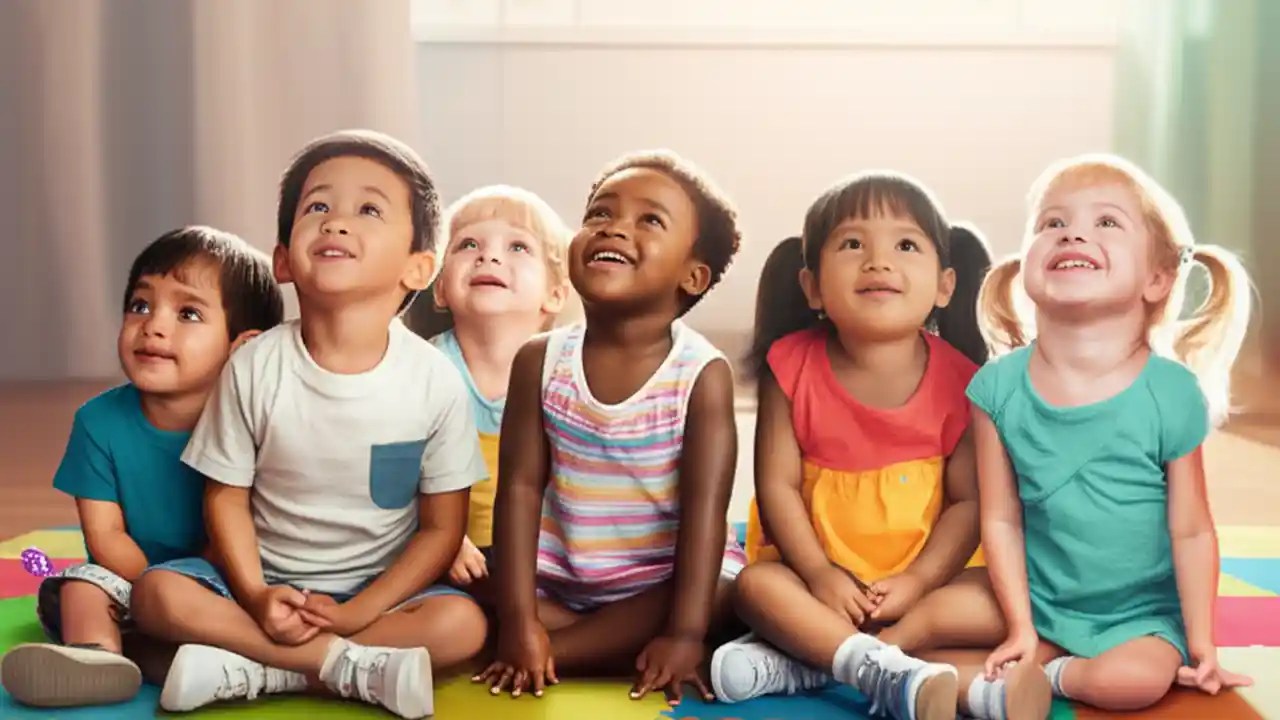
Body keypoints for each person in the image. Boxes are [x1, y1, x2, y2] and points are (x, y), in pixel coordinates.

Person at [128, 129, 490, 720]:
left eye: (369, 209)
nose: (337, 223)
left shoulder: (435, 381)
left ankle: (252, 670)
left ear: (418, 267)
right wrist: (255, 593)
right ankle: (344, 669)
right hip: (260, 586)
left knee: (464, 625)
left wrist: (358, 611)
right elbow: (225, 500)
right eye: (317, 206)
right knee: (156, 594)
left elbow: (440, 531)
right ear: (282, 260)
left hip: (380, 598)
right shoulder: (253, 366)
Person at [964, 153, 1254, 718]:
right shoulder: (995, 387)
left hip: (1137, 615)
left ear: (1157, 278)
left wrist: (1201, 645)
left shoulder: (1170, 393)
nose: (1072, 231)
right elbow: (1000, 518)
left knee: (1133, 683)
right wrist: (1021, 624)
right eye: (1052, 222)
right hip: (1035, 597)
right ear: (1025, 264)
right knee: (928, 616)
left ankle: (1044, 674)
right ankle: (842, 660)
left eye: (1106, 223)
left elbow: (1191, 529)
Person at [711, 174, 1008, 720]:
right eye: (852, 244)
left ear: (945, 285)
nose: (878, 262)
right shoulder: (789, 366)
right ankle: (879, 663)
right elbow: (775, 485)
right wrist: (820, 573)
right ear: (813, 287)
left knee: (1008, 595)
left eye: (906, 245)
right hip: (811, 570)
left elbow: (968, 503)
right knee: (754, 587)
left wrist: (919, 582)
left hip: (928, 577)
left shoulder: (966, 381)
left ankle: (819, 661)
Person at [474, 150, 745, 705]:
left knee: (724, 593)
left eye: (649, 220)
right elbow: (520, 489)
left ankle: (551, 653)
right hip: (563, 579)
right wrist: (520, 615)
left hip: (660, 583)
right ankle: (545, 639)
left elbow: (704, 513)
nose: (614, 228)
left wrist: (686, 633)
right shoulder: (539, 360)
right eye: (600, 213)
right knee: (482, 587)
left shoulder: (701, 374)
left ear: (693, 276)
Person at [0, 227, 283, 708]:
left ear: (243, 347)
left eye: (187, 313)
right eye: (140, 305)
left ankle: (197, 659)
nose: (153, 326)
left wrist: (194, 592)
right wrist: (151, 591)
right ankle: (99, 658)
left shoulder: (260, 424)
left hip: (229, 586)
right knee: (75, 590)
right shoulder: (98, 422)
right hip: (132, 582)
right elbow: (105, 535)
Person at [423, 184, 571, 588]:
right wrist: (443, 541)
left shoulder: (565, 377)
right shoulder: (421, 371)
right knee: (456, 624)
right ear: (439, 286)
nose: (488, 256)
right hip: (446, 557)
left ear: (554, 294)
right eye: (468, 244)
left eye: (518, 247)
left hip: (541, 564)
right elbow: (391, 478)